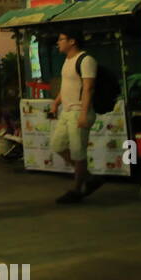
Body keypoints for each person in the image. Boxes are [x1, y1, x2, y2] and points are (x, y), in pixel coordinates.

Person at [49, 30, 99, 204]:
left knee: (78, 153)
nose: (58, 43)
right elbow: (67, 86)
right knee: (57, 145)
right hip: (67, 111)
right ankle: (89, 177)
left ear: (72, 41)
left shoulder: (86, 60)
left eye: (61, 39)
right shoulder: (67, 60)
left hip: (79, 111)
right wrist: (56, 103)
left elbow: (88, 88)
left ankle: (77, 189)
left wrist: (84, 113)